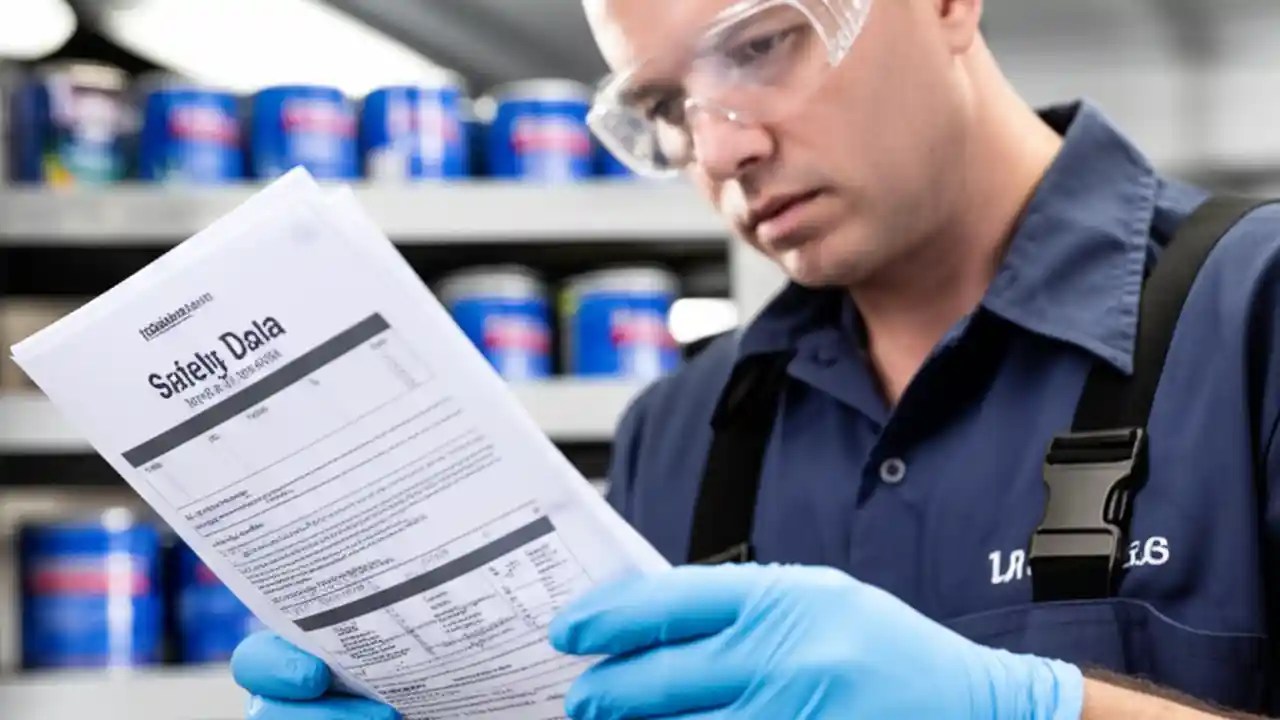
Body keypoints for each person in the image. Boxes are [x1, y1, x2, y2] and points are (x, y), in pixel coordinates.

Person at [228, 0, 1280, 717]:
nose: (720, 147)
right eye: (660, 108)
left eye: (759, 44)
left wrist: (1029, 710)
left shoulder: (1256, 313)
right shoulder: (685, 433)